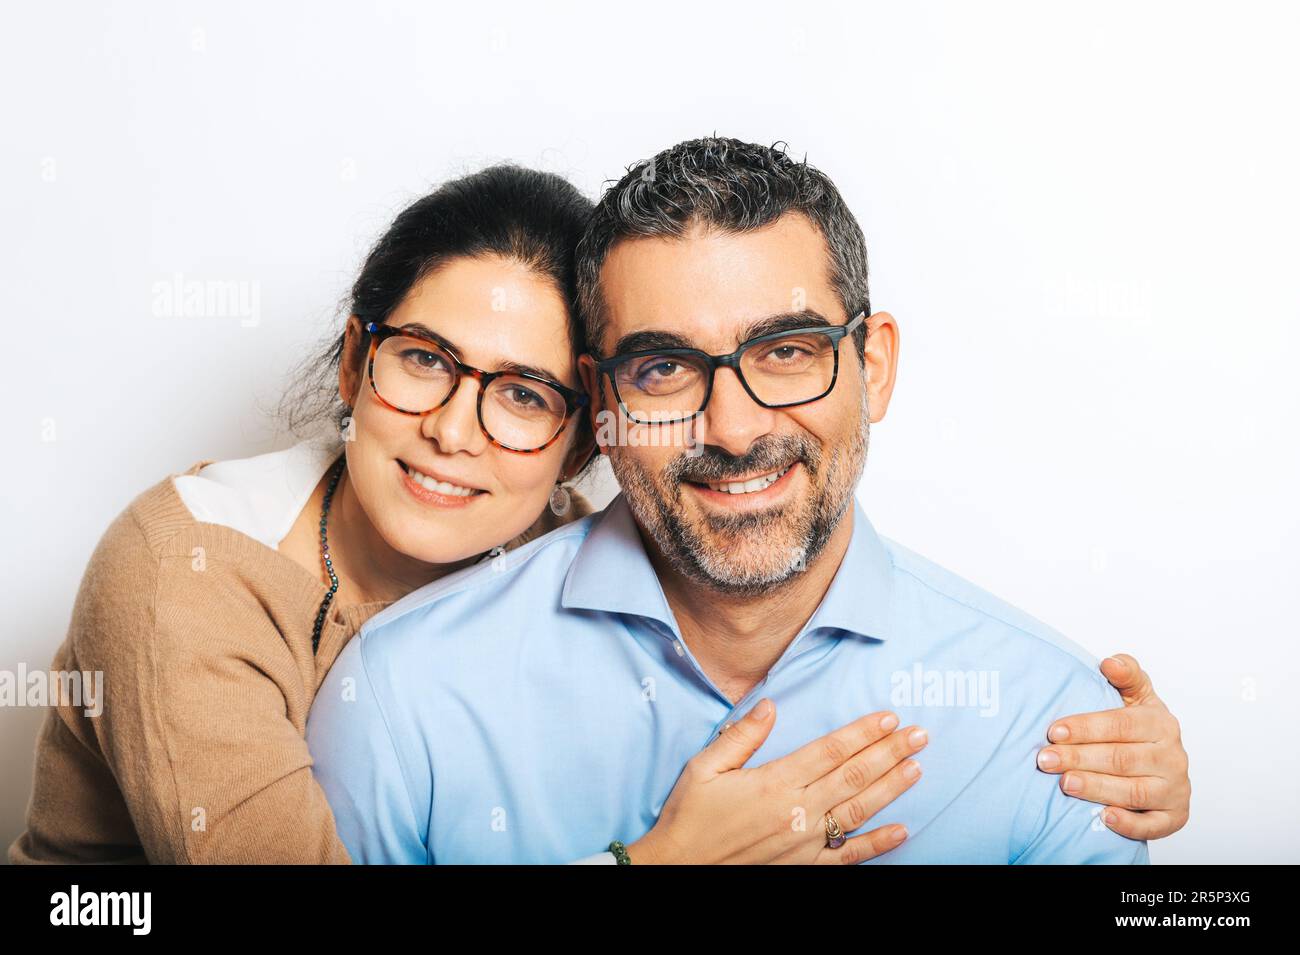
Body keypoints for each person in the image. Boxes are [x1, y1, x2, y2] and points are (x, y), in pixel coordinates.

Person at [9, 164, 928, 864]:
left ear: (585, 441)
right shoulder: (188, 572)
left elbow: (768, 615)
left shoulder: (576, 563)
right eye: (423, 360)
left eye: (525, 395)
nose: (453, 429)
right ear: (352, 364)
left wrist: (1064, 725)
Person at [305, 137, 1189, 863]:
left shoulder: (1049, 724)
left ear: (871, 366)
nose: (730, 428)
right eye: (662, 368)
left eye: (786, 352)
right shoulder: (402, 696)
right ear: (603, 402)